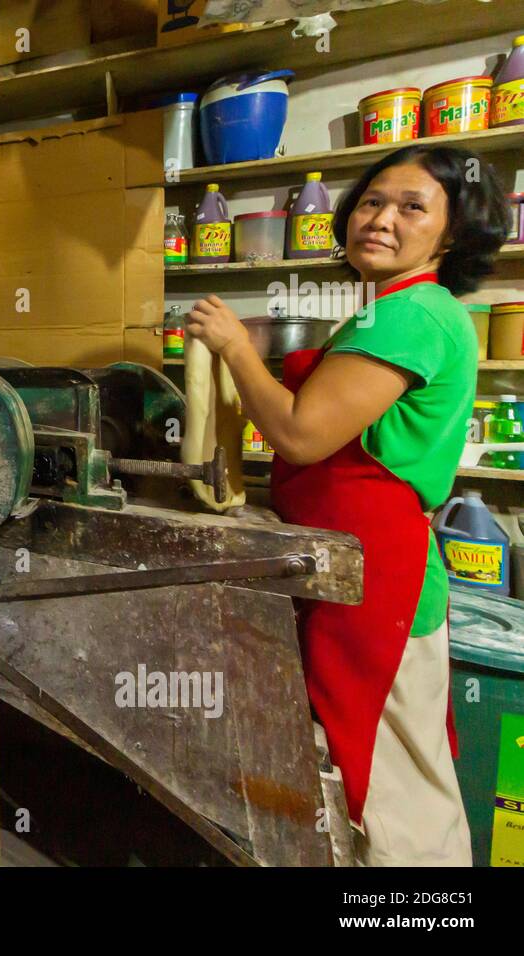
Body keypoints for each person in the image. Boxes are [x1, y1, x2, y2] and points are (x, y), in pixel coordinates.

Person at [185, 145, 510, 865]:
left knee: (389, 783)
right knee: (378, 767)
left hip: (375, 578)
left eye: (411, 207)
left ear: (450, 234)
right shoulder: (388, 311)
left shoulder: (414, 315)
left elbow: (302, 434)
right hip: (350, 563)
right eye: (371, 201)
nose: (381, 219)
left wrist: (237, 348)